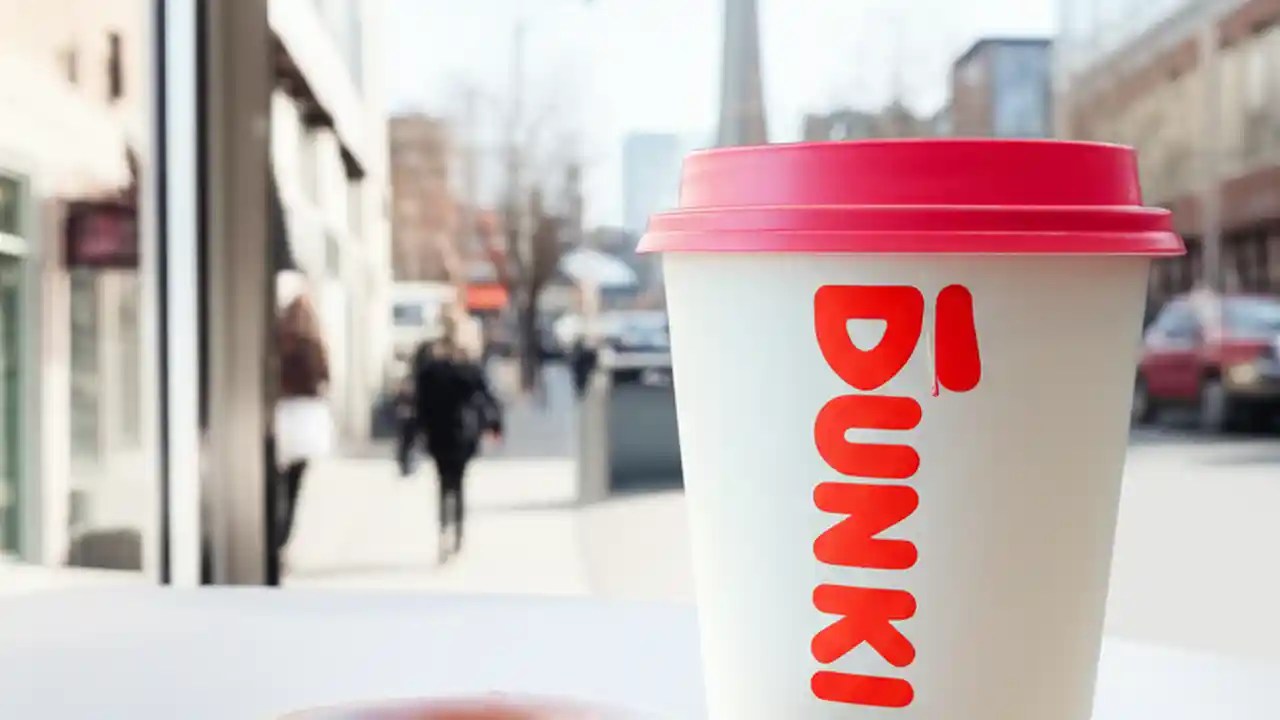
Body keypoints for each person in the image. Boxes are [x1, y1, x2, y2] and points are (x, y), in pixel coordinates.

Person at [414, 309, 503, 562]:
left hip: (438, 431)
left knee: (443, 484)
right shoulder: (468, 364)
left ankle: (445, 531)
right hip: (463, 431)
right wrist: (495, 425)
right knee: (459, 483)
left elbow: (420, 401)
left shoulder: (429, 362)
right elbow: (485, 396)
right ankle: (458, 535)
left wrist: (418, 430)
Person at [274, 294, 332, 560]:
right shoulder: (314, 345)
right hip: (306, 422)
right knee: (294, 486)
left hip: (283, 415)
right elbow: (325, 380)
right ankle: (282, 541)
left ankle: (274, 535)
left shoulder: (280, 343)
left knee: (277, 484)